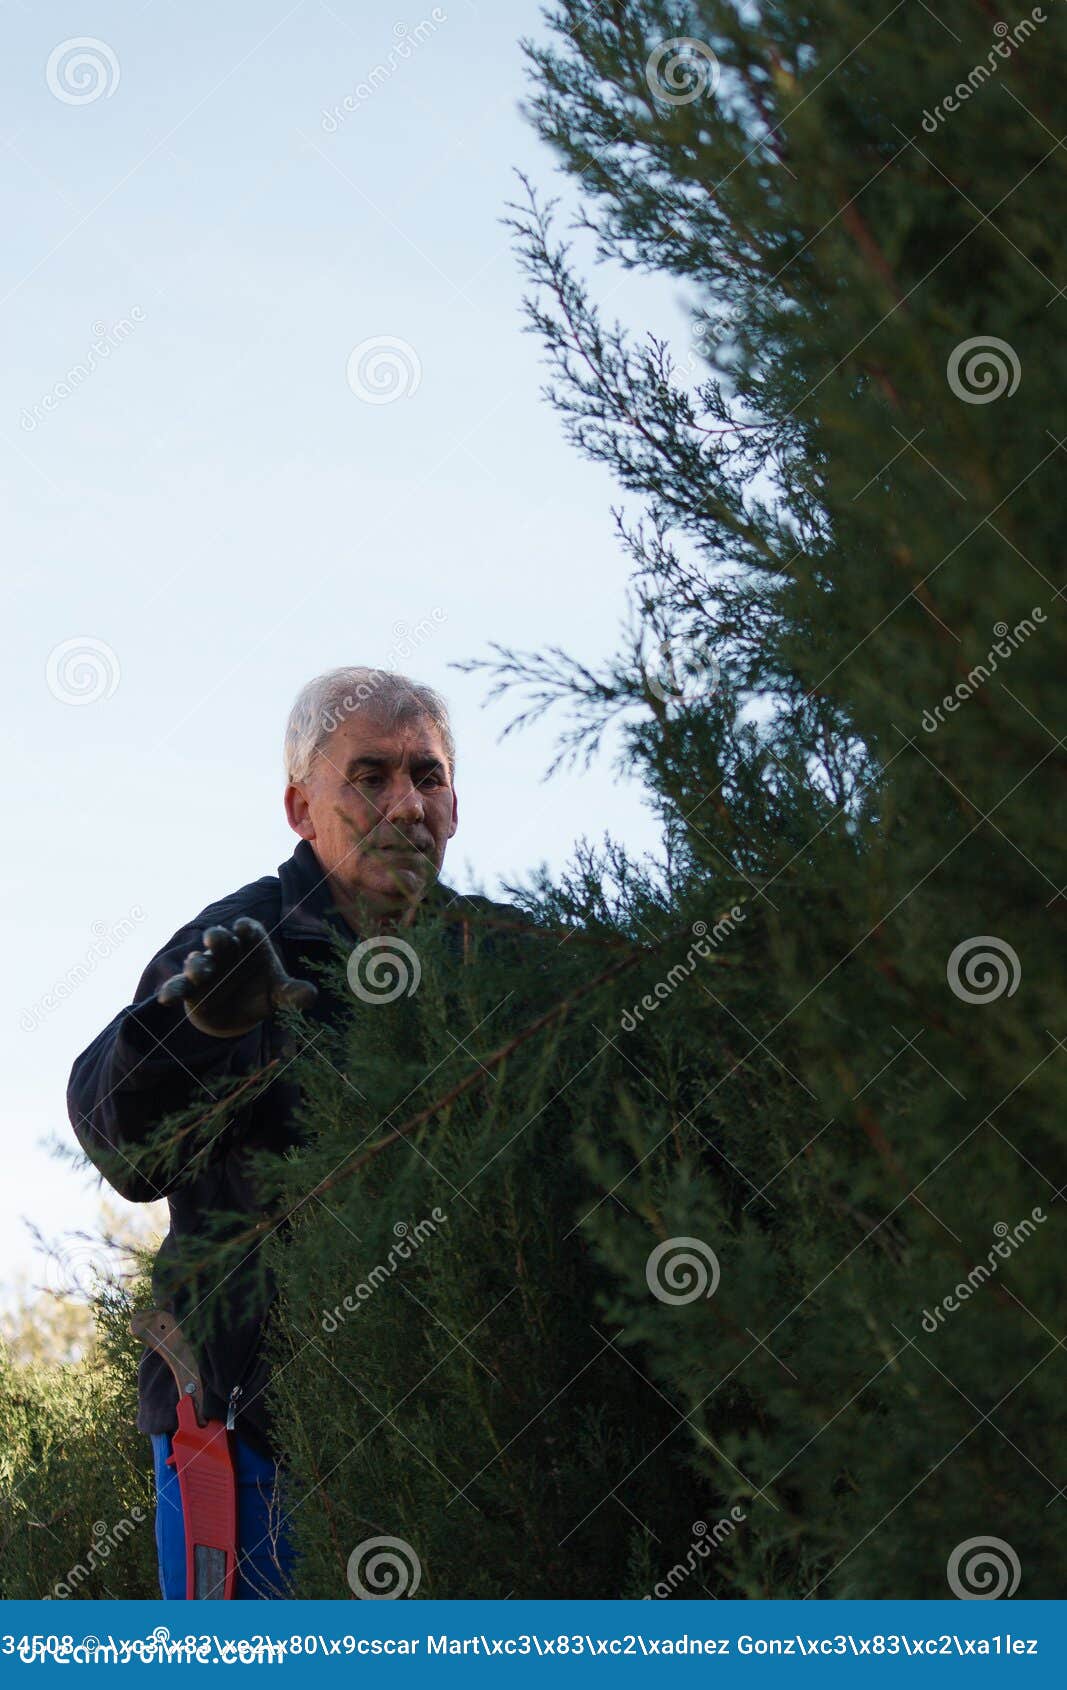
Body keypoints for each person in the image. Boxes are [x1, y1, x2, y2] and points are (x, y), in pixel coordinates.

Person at [67, 668, 517, 1598]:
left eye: (427, 777)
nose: (405, 804)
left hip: (473, 1434)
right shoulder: (239, 941)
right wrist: (200, 1032)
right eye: (370, 776)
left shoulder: (504, 960)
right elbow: (121, 1145)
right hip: (255, 1440)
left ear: (456, 805)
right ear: (299, 806)